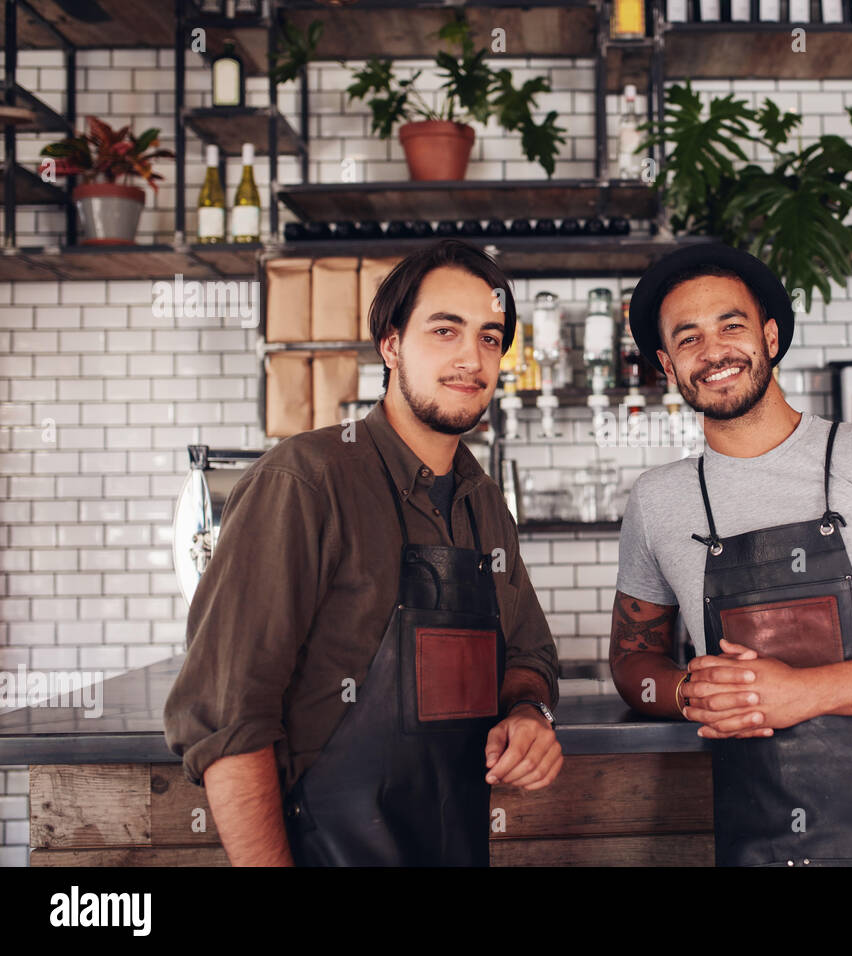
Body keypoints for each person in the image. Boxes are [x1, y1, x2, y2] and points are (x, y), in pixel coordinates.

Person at [609, 242, 852, 867]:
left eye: (731, 326)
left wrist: (806, 693)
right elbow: (634, 659)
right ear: (666, 363)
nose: (713, 351)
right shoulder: (659, 500)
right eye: (688, 339)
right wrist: (688, 693)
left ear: (770, 336)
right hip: (762, 846)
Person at [164, 240, 562, 866]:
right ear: (392, 344)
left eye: (490, 337)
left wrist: (529, 711)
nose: (470, 357)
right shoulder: (305, 480)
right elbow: (228, 718)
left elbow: (529, 654)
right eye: (444, 330)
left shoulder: (485, 505)